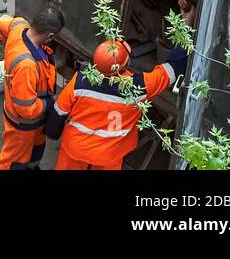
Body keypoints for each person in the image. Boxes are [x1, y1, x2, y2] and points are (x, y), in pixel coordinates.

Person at [47, 35, 190, 170]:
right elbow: (173, 68)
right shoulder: (139, 87)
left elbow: (59, 110)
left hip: (76, 148)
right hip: (110, 154)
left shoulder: (80, 81)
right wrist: (187, 26)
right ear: (124, 65)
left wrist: (52, 133)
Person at [0, 0, 66, 170]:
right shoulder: (27, 66)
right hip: (22, 126)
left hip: (35, 123)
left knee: (35, 154)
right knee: (11, 163)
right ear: (49, 35)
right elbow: (25, 109)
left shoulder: (19, 26)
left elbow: (1, 23)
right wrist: (49, 104)